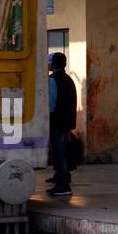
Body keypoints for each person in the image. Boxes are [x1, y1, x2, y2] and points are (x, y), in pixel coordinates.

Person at [48, 52, 76, 198]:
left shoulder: (52, 80)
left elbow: (50, 105)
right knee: (62, 152)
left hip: (57, 122)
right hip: (66, 122)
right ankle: (60, 181)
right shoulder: (68, 79)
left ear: (52, 64)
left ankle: (63, 185)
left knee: (59, 154)